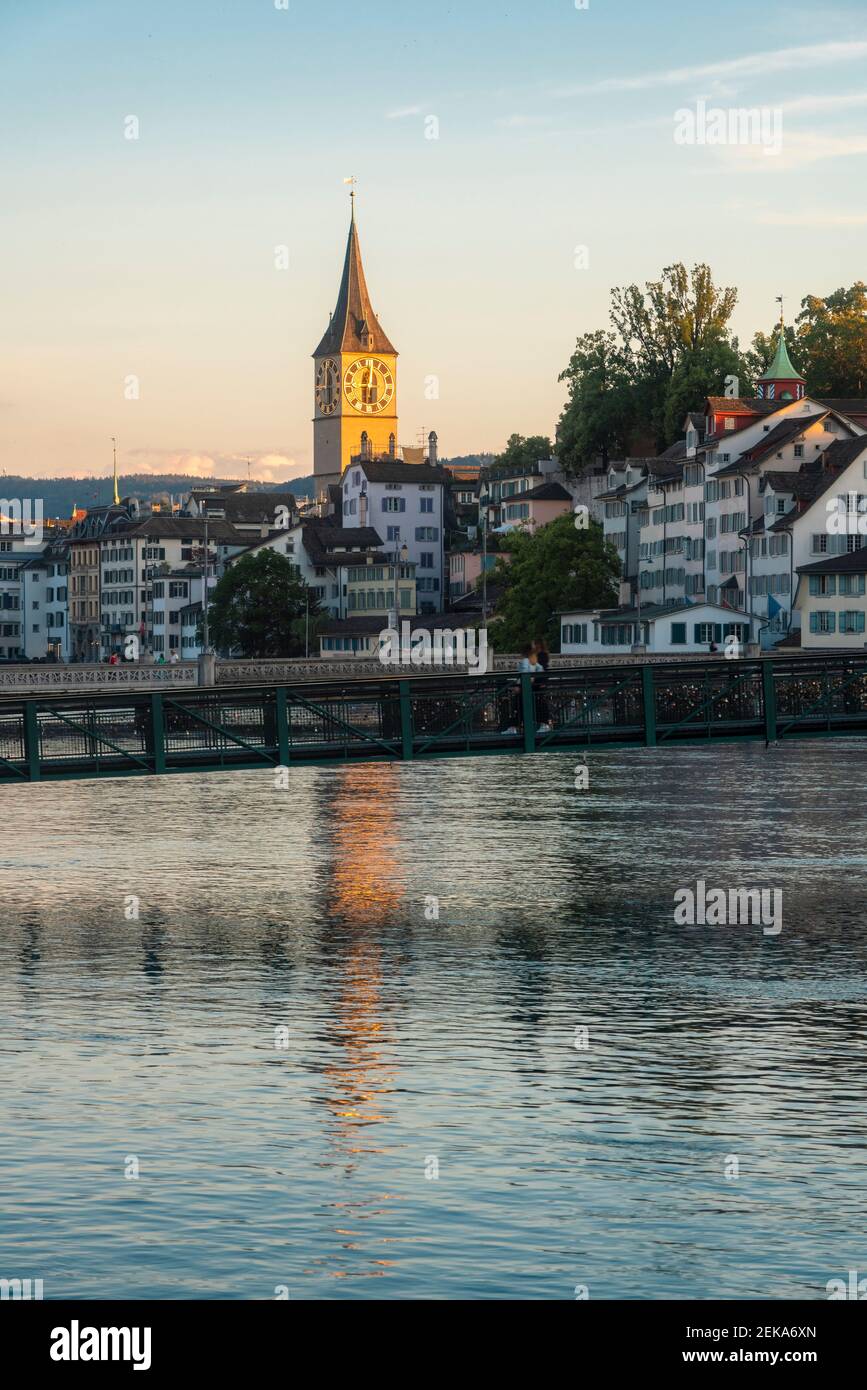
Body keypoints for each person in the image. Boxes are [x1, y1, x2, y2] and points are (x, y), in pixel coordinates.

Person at [533, 636, 552, 732]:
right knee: (539, 702)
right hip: (539, 683)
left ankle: (544, 723)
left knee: (540, 703)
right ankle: (543, 723)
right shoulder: (542, 655)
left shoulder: (541, 655)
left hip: (539, 683)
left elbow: (542, 669)